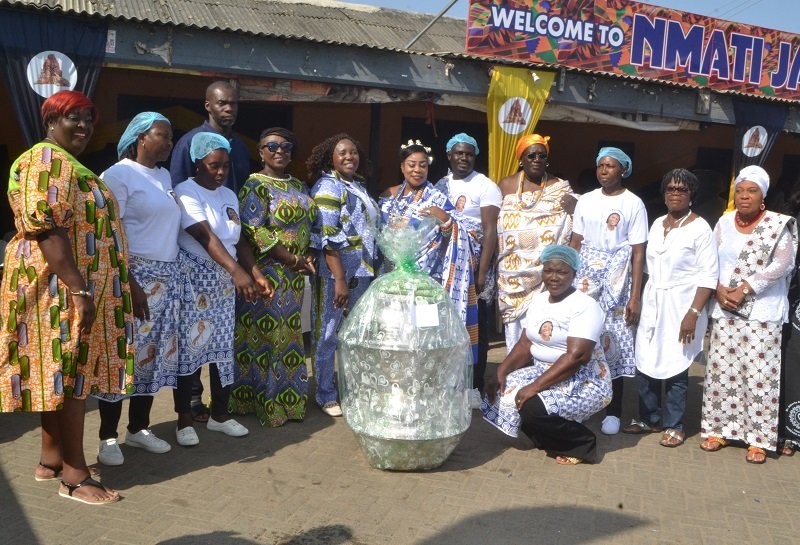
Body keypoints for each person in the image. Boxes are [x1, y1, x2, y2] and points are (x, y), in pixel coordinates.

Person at [0, 90, 131, 504]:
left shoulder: (64, 162)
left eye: (88, 119)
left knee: (57, 368)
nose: (83, 127)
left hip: (62, 282)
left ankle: (51, 458)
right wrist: (79, 289)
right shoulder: (48, 160)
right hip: (58, 284)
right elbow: (48, 228)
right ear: (50, 121)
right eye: (72, 118)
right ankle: (75, 476)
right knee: (72, 374)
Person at [173, 132, 273, 446]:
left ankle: (219, 415)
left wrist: (254, 273)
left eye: (225, 166)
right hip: (196, 282)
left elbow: (237, 239)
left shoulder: (228, 194)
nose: (220, 172)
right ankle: (184, 420)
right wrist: (237, 272)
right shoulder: (185, 191)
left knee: (222, 352)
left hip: (226, 284)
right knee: (191, 350)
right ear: (198, 163)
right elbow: (205, 236)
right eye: (214, 166)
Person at [95, 112, 180, 466]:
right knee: (122, 356)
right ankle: (106, 437)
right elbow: (108, 234)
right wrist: (131, 283)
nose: (170, 141)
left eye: (171, 136)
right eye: (163, 135)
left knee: (152, 357)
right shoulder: (118, 175)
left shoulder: (164, 175)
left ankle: (139, 428)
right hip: (133, 278)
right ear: (141, 137)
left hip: (167, 279)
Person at [700, 165, 798, 464]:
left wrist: (745, 288)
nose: (744, 196)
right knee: (722, 370)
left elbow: (784, 263)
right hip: (725, 306)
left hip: (762, 310)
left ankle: (758, 438)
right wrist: (718, 289)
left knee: (759, 374)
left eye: (751, 190)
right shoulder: (724, 222)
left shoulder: (777, 225)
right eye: (740, 190)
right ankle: (719, 430)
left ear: (763, 195)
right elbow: (710, 258)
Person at [482, 245, 611, 465]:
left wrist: (534, 387)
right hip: (544, 370)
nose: (554, 277)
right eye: (549, 270)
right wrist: (501, 372)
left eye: (562, 272)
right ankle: (541, 436)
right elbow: (525, 343)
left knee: (532, 405)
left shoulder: (585, 305)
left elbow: (577, 357)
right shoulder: (540, 300)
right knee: (503, 391)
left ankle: (582, 443)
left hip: (584, 378)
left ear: (574, 274)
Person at [170, 81, 251, 422]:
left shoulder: (239, 147)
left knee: (220, 342)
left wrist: (248, 267)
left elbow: (238, 193)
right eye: (222, 103)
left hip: (228, 252)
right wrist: (236, 268)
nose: (228, 108)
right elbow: (181, 200)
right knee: (192, 341)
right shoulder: (190, 143)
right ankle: (190, 405)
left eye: (233, 103)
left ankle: (220, 412)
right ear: (208, 105)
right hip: (197, 261)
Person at [229, 127, 318, 426]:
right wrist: (290, 257)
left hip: (295, 277)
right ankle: (265, 404)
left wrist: (307, 255)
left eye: (287, 147)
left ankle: (290, 402)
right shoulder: (255, 184)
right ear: (261, 151)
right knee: (266, 339)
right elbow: (254, 229)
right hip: (269, 273)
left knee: (291, 338)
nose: (280, 151)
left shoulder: (298, 185)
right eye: (272, 146)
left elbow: (310, 224)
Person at [625, 169, 718, 447]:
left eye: (682, 189)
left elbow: (709, 276)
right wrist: (638, 298)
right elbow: (645, 269)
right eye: (671, 189)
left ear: (692, 195)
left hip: (683, 305)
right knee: (647, 358)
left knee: (677, 364)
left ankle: (674, 424)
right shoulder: (656, 224)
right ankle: (649, 419)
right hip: (654, 300)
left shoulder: (700, 228)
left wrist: (693, 314)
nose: (675, 193)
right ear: (664, 194)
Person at [379, 140, 481, 365]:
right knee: (395, 335)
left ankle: (427, 387)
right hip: (392, 281)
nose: (417, 170)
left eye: (423, 165)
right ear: (402, 167)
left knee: (426, 337)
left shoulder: (438, 199)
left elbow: (470, 235)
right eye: (411, 165)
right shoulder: (388, 198)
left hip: (427, 282)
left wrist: (444, 218)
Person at [569, 147, 647, 436]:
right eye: (600, 165)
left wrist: (635, 296)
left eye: (610, 166)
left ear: (623, 170)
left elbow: (639, 252)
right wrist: (567, 278)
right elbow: (576, 241)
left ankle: (612, 411)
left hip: (618, 278)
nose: (604, 170)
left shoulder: (634, 203)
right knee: (584, 337)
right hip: (586, 277)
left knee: (614, 340)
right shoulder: (586, 200)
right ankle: (579, 404)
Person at [308, 133, 380, 417]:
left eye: (353, 152)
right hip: (337, 274)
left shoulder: (357, 186)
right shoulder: (328, 187)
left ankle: (351, 388)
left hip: (362, 272)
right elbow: (327, 236)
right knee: (327, 334)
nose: (349, 157)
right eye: (342, 153)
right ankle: (325, 394)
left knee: (355, 335)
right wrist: (338, 279)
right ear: (331, 158)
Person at [435, 133, 502, 394]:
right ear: (449, 155)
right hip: (448, 268)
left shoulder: (486, 186)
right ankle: (449, 380)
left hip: (475, 267)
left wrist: (482, 271)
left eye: (469, 153)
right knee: (448, 323)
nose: (463, 158)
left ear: (475, 156)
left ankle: (473, 384)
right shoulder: (441, 185)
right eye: (458, 153)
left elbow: (489, 230)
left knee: (476, 327)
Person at [497, 134, 574, 352]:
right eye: (531, 155)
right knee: (515, 337)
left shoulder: (559, 187)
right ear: (521, 158)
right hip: (512, 275)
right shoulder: (506, 185)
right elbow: (499, 228)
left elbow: (574, 221)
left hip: (546, 274)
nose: (537, 159)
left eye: (542, 155)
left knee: (544, 330)